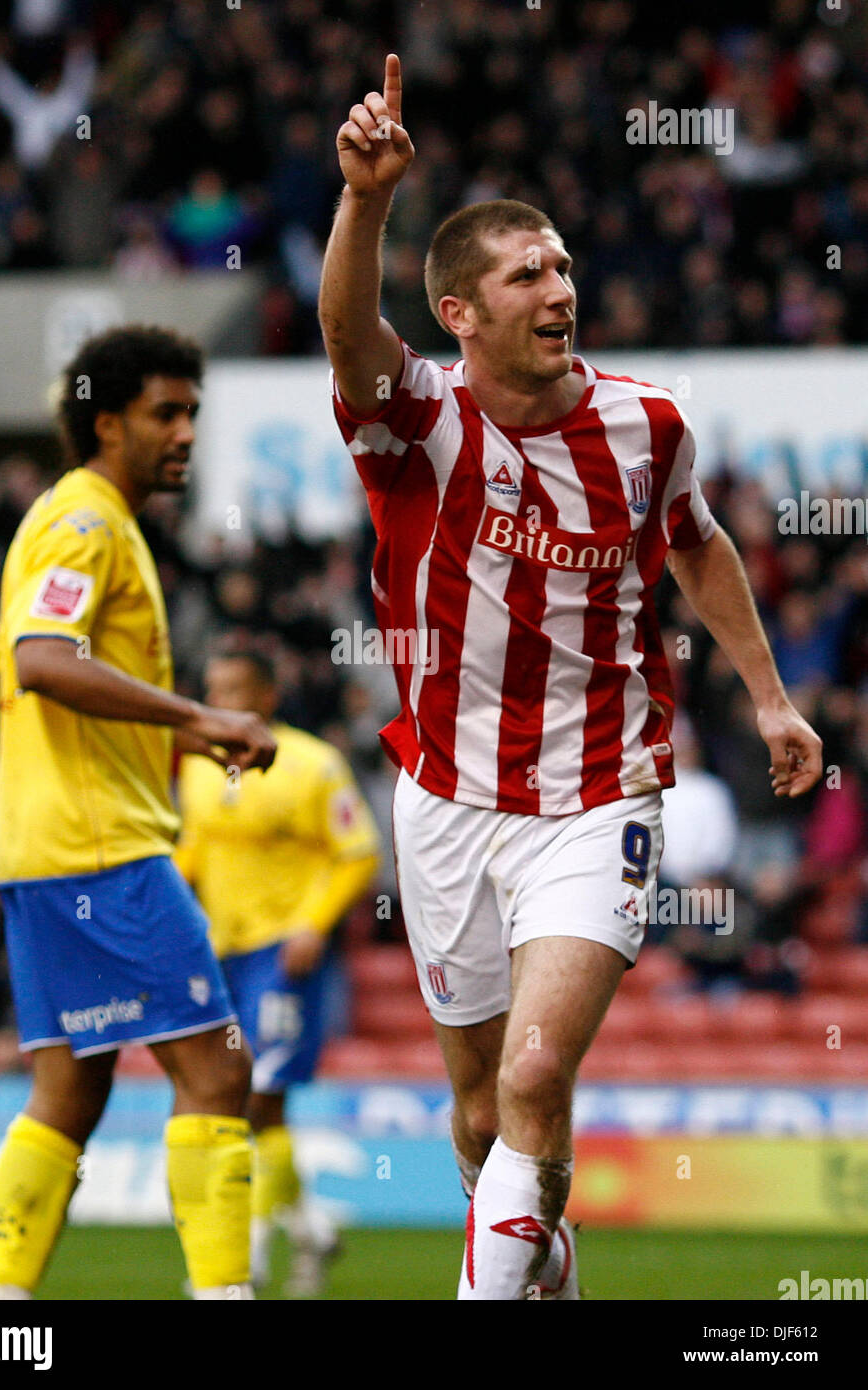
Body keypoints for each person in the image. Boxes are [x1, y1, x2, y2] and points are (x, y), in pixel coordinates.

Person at [319, 55, 823, 1301]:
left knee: (539, 1078)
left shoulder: (646, 426)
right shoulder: (419, 425)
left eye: (562, 267)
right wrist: (368, 200)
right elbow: (342, 331)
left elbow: (697, 545)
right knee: (483, 1115)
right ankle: (546, 1274)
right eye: (525, 274)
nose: (561, 288)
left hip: (601, 792)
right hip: (445, 800)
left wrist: (765, 692)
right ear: (460, 314)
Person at [0, 325, 276, 1301]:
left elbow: (27, 687)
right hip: (100, 848)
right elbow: (42, 661)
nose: (186, 430)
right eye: (165, 412)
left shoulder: (81, 522)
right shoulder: (89, 524)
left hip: (41, 846)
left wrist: (192, 739)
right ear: (106, 423)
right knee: (221, 1071)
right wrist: (198, 710)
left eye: (192, 410)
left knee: (71, 1088)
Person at [175, 646, 380, 1295]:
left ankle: (252, 1250)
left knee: (259, 1092)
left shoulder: (313, 764)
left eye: (235, 688)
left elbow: (359, 852)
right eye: (213, 688)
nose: (222, 701)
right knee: (255, 1105)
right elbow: (197, 848)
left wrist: (313, 924)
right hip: (220, 950)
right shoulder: (201, 766)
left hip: (282, 954)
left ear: (267, 695)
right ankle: (312, 1226)